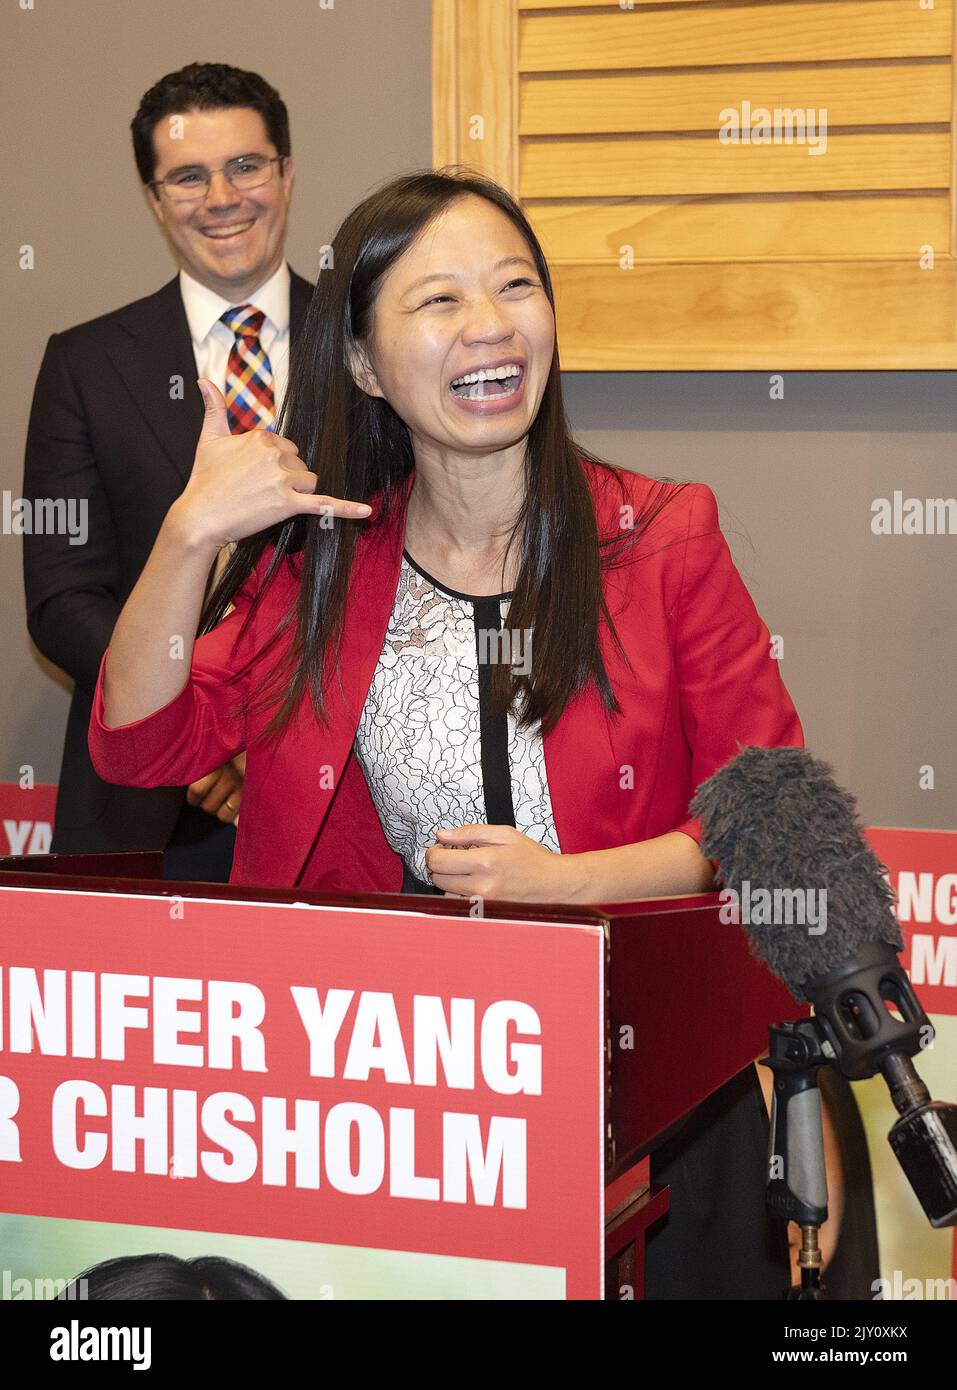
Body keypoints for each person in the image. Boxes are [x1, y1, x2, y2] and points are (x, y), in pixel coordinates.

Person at [88, 167, 826, 1297]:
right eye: (438, 300)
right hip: (422, 1104)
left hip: (658, 1091)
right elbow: (140, 746)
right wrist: (189, 537)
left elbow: (774, 821)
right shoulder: (324, 557)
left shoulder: (664, 533)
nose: (490, 325)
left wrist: (575, 885)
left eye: (515, 286)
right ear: (365, 362)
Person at [23, 61, 312, 883]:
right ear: (155, 198)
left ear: (286, 172)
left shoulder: (365, 346)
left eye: (246, 165)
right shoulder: (83, 364)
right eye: (188, 176)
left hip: (335, 795)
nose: (222, 198)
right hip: (147, 802)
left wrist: (271, 738)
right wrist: (192, 730)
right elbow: (61, 598)